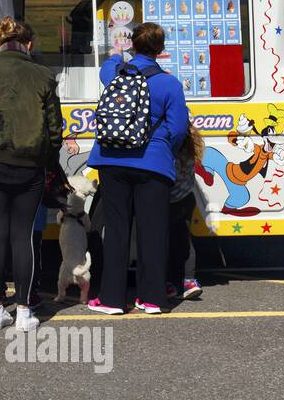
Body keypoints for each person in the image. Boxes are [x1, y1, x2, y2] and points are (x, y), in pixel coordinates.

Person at [0, 17, 63, 332]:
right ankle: (24, 311)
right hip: (29, 165)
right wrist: (49, 160)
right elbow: (55, 129)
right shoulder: (42, 75)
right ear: (28, 44)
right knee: (23, 238)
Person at [86, 22, 189, 315]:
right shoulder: (170, 84)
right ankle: (153, 298)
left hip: (111, 160)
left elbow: (106, 66)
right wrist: (162, 148)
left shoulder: (116, 74)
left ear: (133, 45)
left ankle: (112, 300)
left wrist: (117, 53)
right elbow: (179, 128)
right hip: (153, 163)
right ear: (161, 49)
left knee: (117, 230)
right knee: (152, 231)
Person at [166, 119, 205, 301]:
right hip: (187, 198)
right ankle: (188, 280)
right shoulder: (191, 146)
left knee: (166, 243)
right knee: (184, 241)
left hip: (171, 200)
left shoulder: (173, 149)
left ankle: (171, 283)